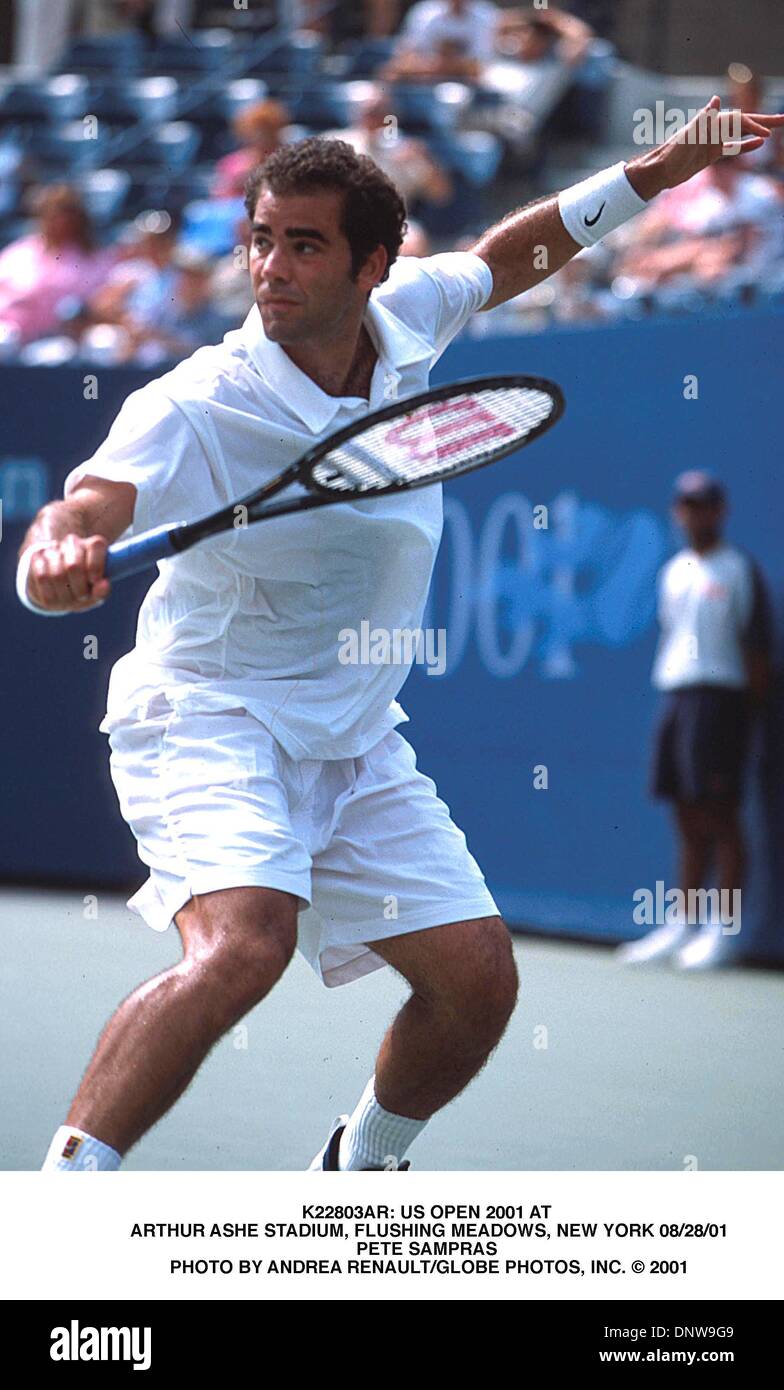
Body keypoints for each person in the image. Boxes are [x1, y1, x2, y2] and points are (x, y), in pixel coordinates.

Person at [18, 97, 784, 1172]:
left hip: (352, 736)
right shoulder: (196, 403)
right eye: (259, 241)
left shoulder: (410, 310)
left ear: (372, 263)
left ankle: (359, 1166)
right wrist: (55, 558)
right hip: (207, 715)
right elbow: (82, 511)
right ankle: (68, 1196)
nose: (270, 267)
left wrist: (659, 167)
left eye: (303, 244)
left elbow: (513, 252)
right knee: (245, 946)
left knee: (477, 980)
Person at [619, 471, 773, 971]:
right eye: (686, 504)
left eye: (704, 504)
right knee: (685, 816)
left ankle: (723, 931)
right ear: (677, 512)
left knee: (721, 817)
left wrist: (750, 719)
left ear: (720, 511)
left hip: (722, 703)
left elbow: (756, 653)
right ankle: (682, 923)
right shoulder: (674, 571)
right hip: (677, 697)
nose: (695, 513)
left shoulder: (738, 569)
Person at [0, 184, 113, 346]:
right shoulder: (20, 252)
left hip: (70, 339)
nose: (58, 220)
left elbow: (103, 300)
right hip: (19, 336)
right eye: (52, 213)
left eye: (65, 213)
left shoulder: (93, 257)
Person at [325, 85, 452, 210]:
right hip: (342, 217)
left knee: (413, 231)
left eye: (381, 112)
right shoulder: (336, 142)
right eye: (370, 112)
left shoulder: (403, 148)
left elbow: (440, 194)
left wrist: (424, 160)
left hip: (392, 222)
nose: (374, 118)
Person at [381, 0, 498, 83]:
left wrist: (438, 67)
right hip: (421, 82)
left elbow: (478, 67)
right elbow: (404, 59)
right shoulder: (424, 12)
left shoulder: (485, 14)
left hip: (468, 86)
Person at [212, 101, 291, 201]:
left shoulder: (286, 159)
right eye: (255, 130)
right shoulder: (232, 161)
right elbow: (219, 194)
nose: (259, 136)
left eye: (265, 130)